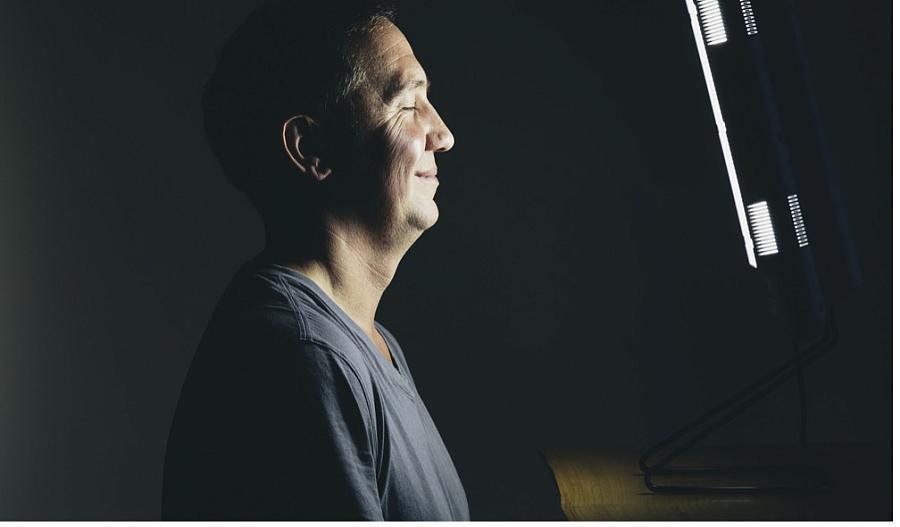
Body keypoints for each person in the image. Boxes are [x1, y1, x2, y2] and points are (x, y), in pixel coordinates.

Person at [161, 0, 467, 520]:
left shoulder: (363, 343)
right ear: (311, 149)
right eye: (408, 104)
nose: (443, 135)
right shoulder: (307, 356)